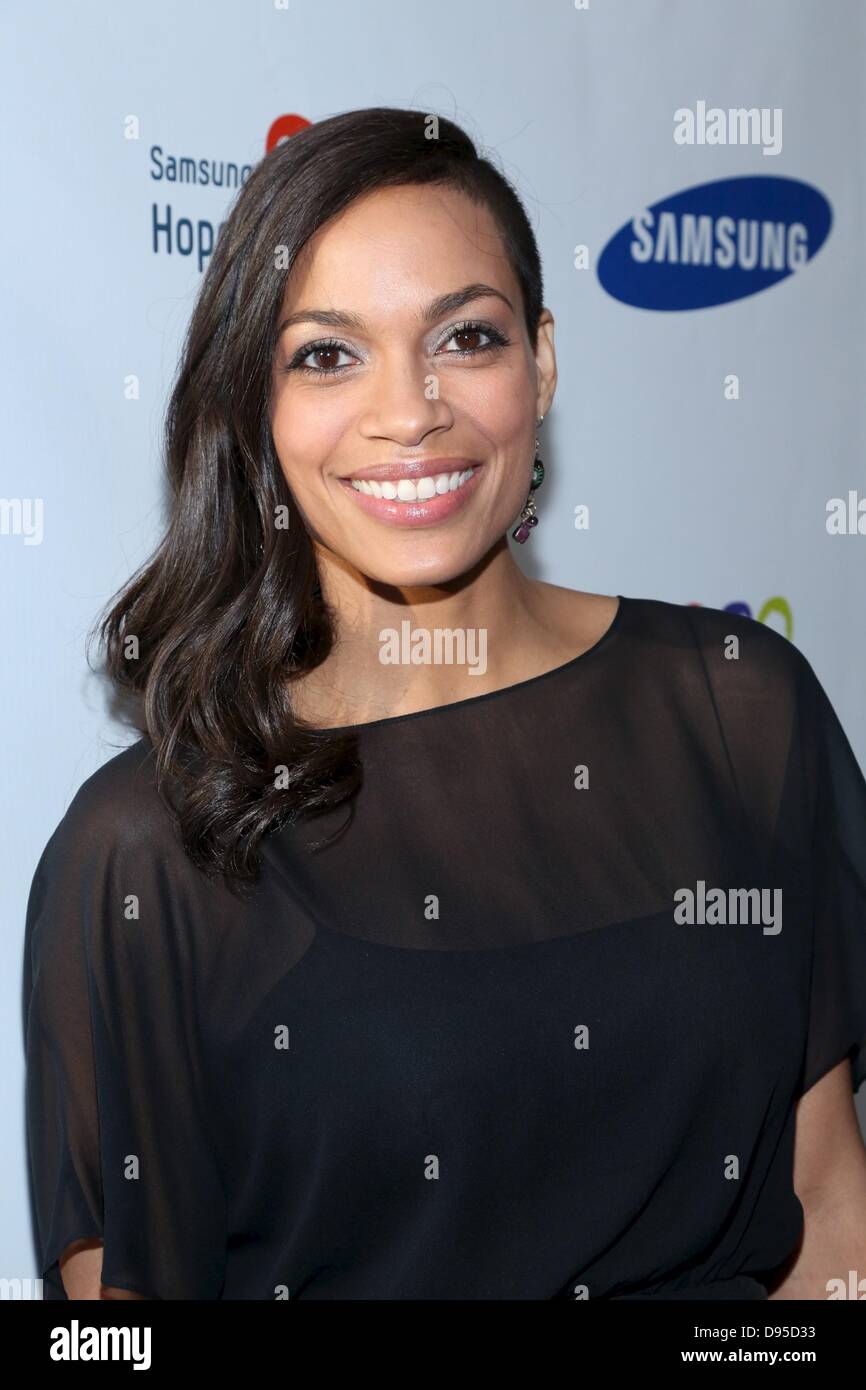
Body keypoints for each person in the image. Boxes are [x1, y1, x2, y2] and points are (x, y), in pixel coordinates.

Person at [23, 107, 866, 1301]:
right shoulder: (152, 845)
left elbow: (830, 1213)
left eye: (464, 336)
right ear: (255, 406)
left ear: (543, 361)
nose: (409, 409)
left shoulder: (737, 711)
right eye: (325, 353)